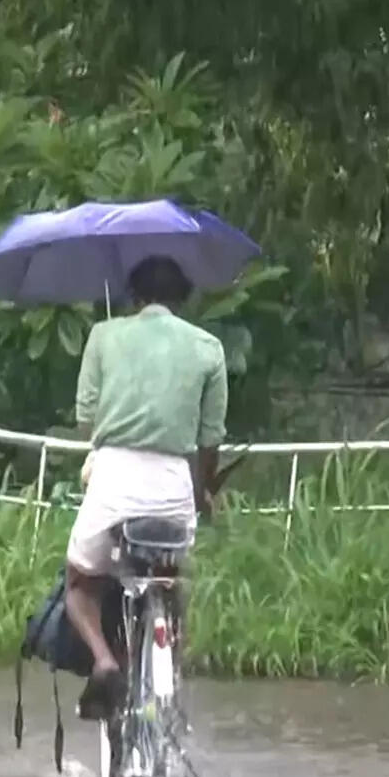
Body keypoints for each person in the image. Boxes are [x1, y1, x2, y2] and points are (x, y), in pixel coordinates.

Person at [65, 254, 227, 719]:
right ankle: (169, 671)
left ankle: (103, 660)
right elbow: (210, 439)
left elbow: (86, 419)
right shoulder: (208, 347)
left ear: (135, 296)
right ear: (182, 298)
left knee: (79, 580)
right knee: (171, 582)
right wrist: (203, 493)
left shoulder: (104, 335)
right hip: (174, 483)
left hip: (114, 478)